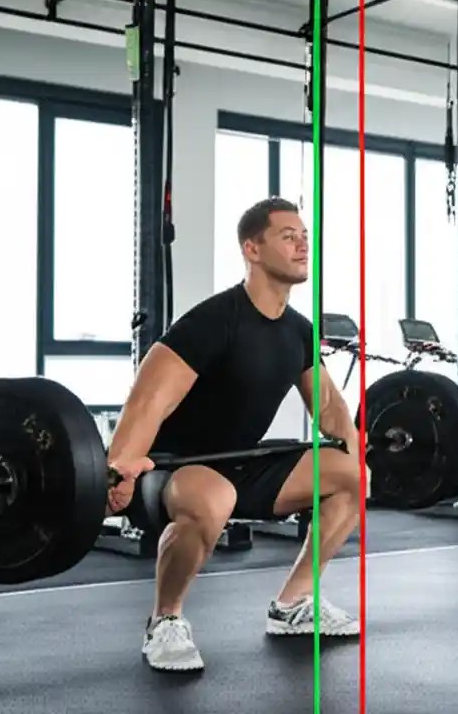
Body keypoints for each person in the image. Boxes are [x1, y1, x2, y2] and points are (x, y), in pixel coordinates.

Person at [106, 197, 364, 671]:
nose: (303, 244)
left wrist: (354, 443)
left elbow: (327, 406)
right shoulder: (215, 319)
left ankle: (293, 605)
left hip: (240, 461)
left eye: (305, 236)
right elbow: (150, 399)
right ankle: (165, 621)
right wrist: (122, 465)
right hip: (174, 465)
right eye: (289, 236)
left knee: (351, 475)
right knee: (212, 498)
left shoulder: (297, 332)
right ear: (253, 249)